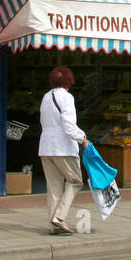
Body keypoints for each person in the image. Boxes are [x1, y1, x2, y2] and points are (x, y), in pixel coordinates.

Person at [39, 65, 89, 235]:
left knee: (54, 188)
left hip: (46, 147)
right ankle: (59, 218)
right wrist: (82, 138)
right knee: (75, 181)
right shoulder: (67, 97)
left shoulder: (46, 97)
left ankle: (54, 226)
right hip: (63, 147)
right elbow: (68, 125)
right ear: (69, 80)